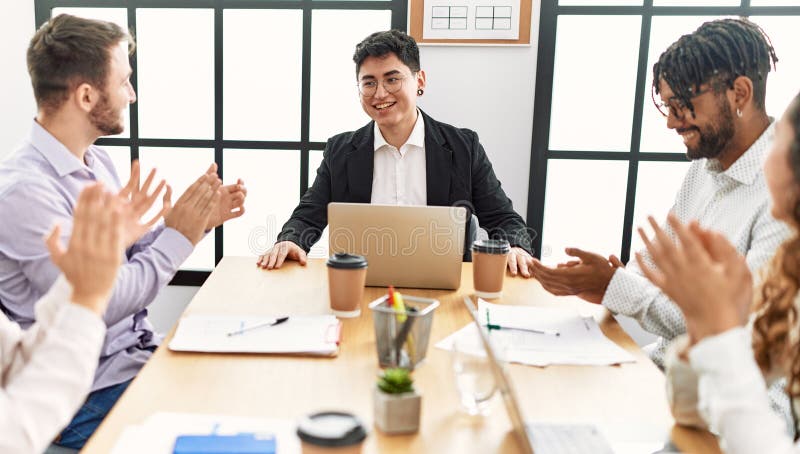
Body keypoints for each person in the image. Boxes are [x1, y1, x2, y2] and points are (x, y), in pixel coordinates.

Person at [0, 14, 246, 448]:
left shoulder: (97, 162)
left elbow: (120, 264)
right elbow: (96, 301)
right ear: (87, 95)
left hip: (133, 357)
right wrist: (178, 238)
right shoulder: (24, 194)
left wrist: (192, 223)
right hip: (80, 392)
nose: (132, 94)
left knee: (244, 390)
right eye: (124, 81)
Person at [530, 18, 789, 368]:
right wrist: (599, 281)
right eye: (667, 106)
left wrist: (615, 286)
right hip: (670, 373)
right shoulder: (706, 167)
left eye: (681, 105)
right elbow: (652, 262)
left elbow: (729, 325)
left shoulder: (785, 194)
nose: (671, 121)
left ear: (739, 94)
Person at [257, 30, 535, 276]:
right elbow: (308, 215)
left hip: (442, 289)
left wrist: (516, 247)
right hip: (359, 284)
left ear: (420, 80)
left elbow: (503, 218)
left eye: (392, 79)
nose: (380, 93)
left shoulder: (463, 147)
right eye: (369, 83)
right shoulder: (340, 151)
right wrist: (291, 240)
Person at [637, 91, 800, 453]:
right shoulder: (784, 276)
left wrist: (716, 330)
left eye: (777, 142)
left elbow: (761, 432)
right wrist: (703, 332)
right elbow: (692, 411)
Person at [1, 184, 123, 453]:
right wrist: (87, 301)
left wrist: (76, 283)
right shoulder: (22, 191)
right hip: (86, 393)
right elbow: (11, 438)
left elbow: (17, 360)